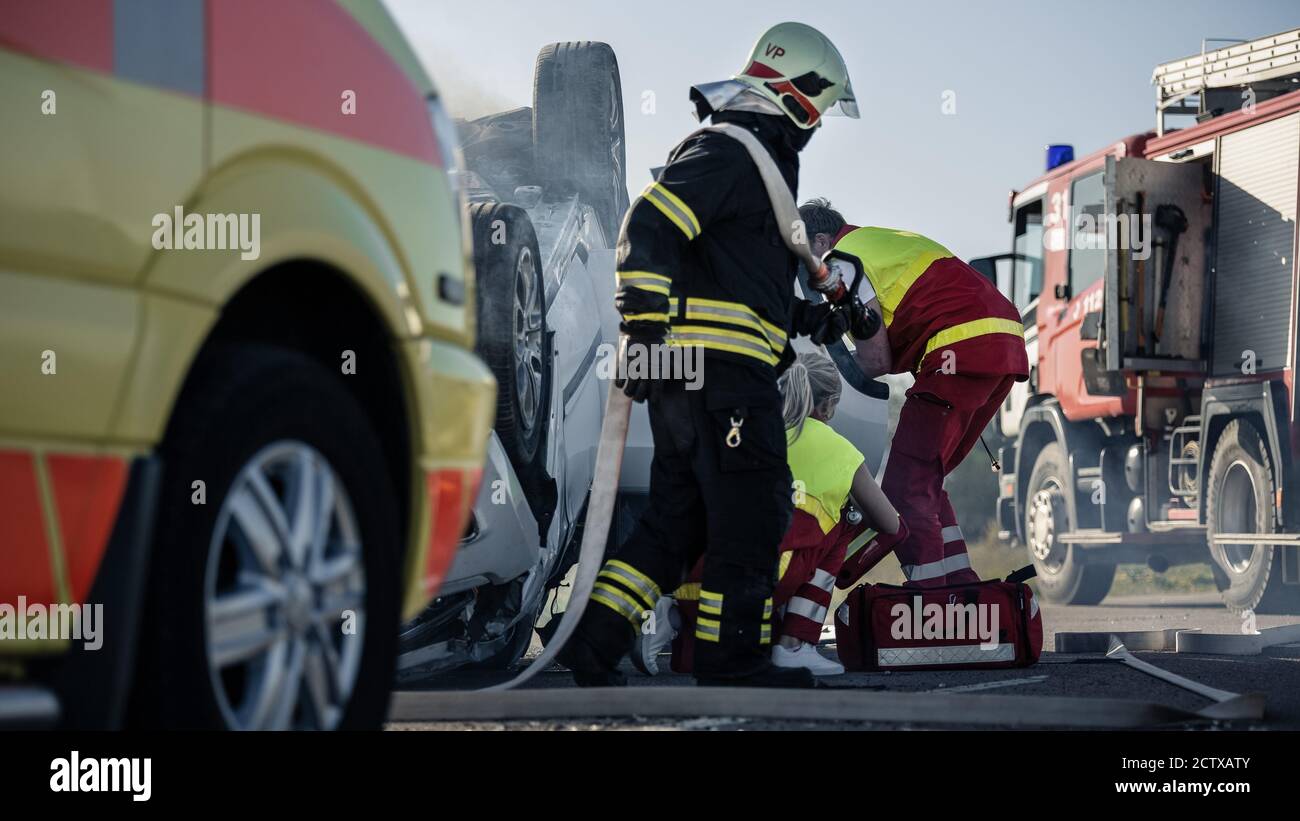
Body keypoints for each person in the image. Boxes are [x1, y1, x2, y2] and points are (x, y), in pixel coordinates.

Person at [559, 23, 861, 688]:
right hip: (719, 377)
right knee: (754, 508)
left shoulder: (758, 168)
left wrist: (818, 317)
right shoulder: (732, 150)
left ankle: (593, 643)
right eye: (821, 109)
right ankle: (734, 660)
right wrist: (641, 324)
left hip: (703, 376)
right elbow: (649, 221)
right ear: (802, 98)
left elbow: (753, 301)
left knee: (679, 520)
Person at [798, 200, 1030, 588]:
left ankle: (929, 598)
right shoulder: (879, 241)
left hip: (959, 347)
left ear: (821, 239)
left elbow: (874, 359)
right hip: (1002, 344)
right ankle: (960, 587)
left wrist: (811, 372)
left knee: (904, 487)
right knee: (925, 478)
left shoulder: (840, 261)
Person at [653, 351, 900, 677]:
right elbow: (890, 523)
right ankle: (795, 644)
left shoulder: (749, 433)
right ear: (827, 405)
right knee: (839, 524)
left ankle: (669, 616)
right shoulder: (840, 450)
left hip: (695, 579)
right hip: (760, 584)